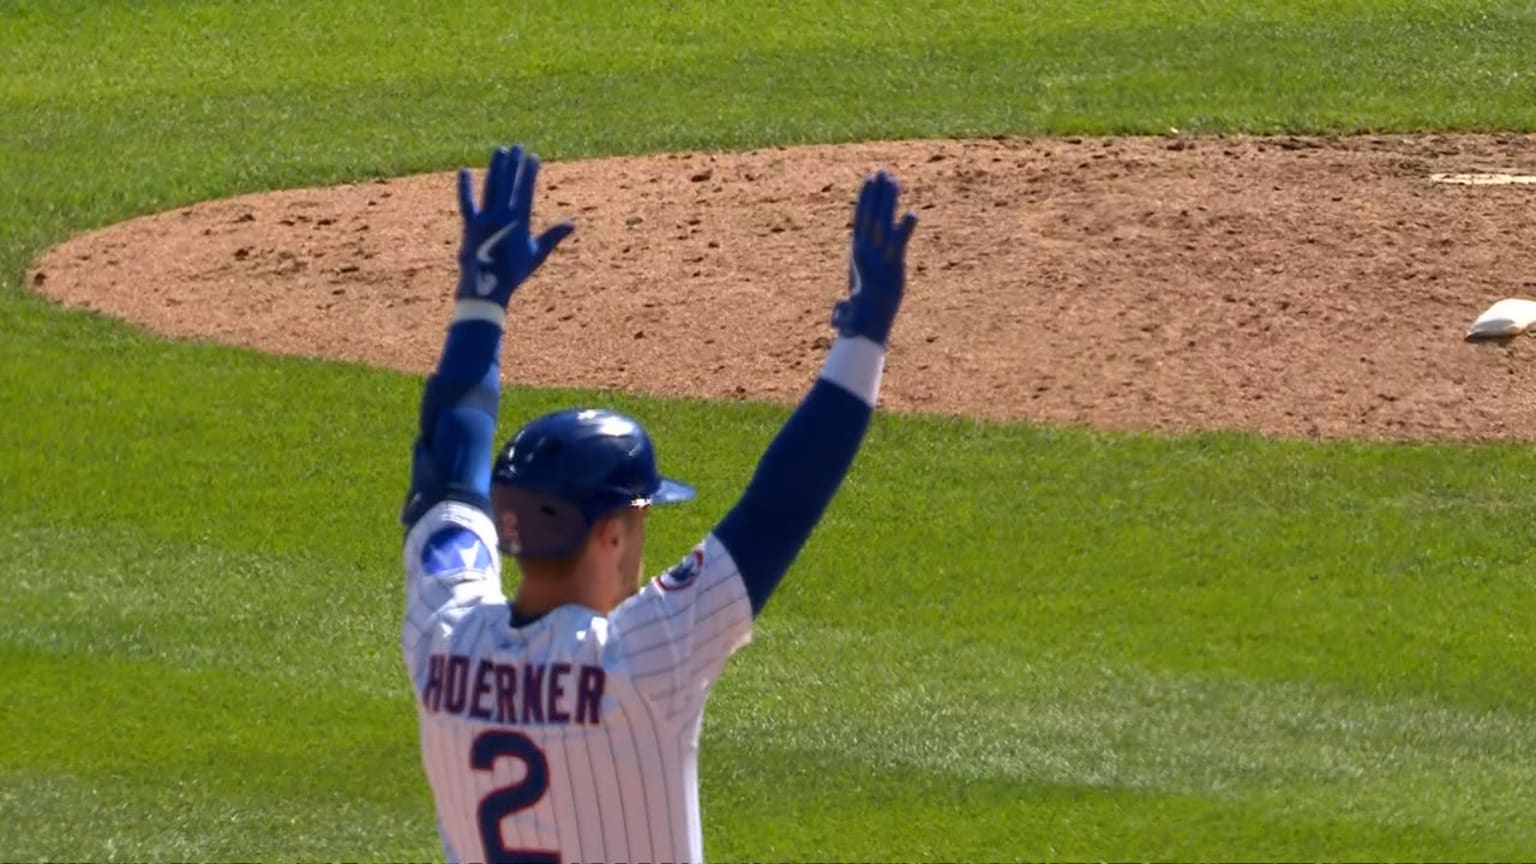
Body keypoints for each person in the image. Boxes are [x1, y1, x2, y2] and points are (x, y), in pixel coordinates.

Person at [399, 141, 918, 863]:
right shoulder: (641, 663)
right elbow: (778, 508)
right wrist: (865, 339)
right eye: (642, 516)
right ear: (608, 534)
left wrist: (482, 300)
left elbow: (448, 476)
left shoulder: (444, 635)